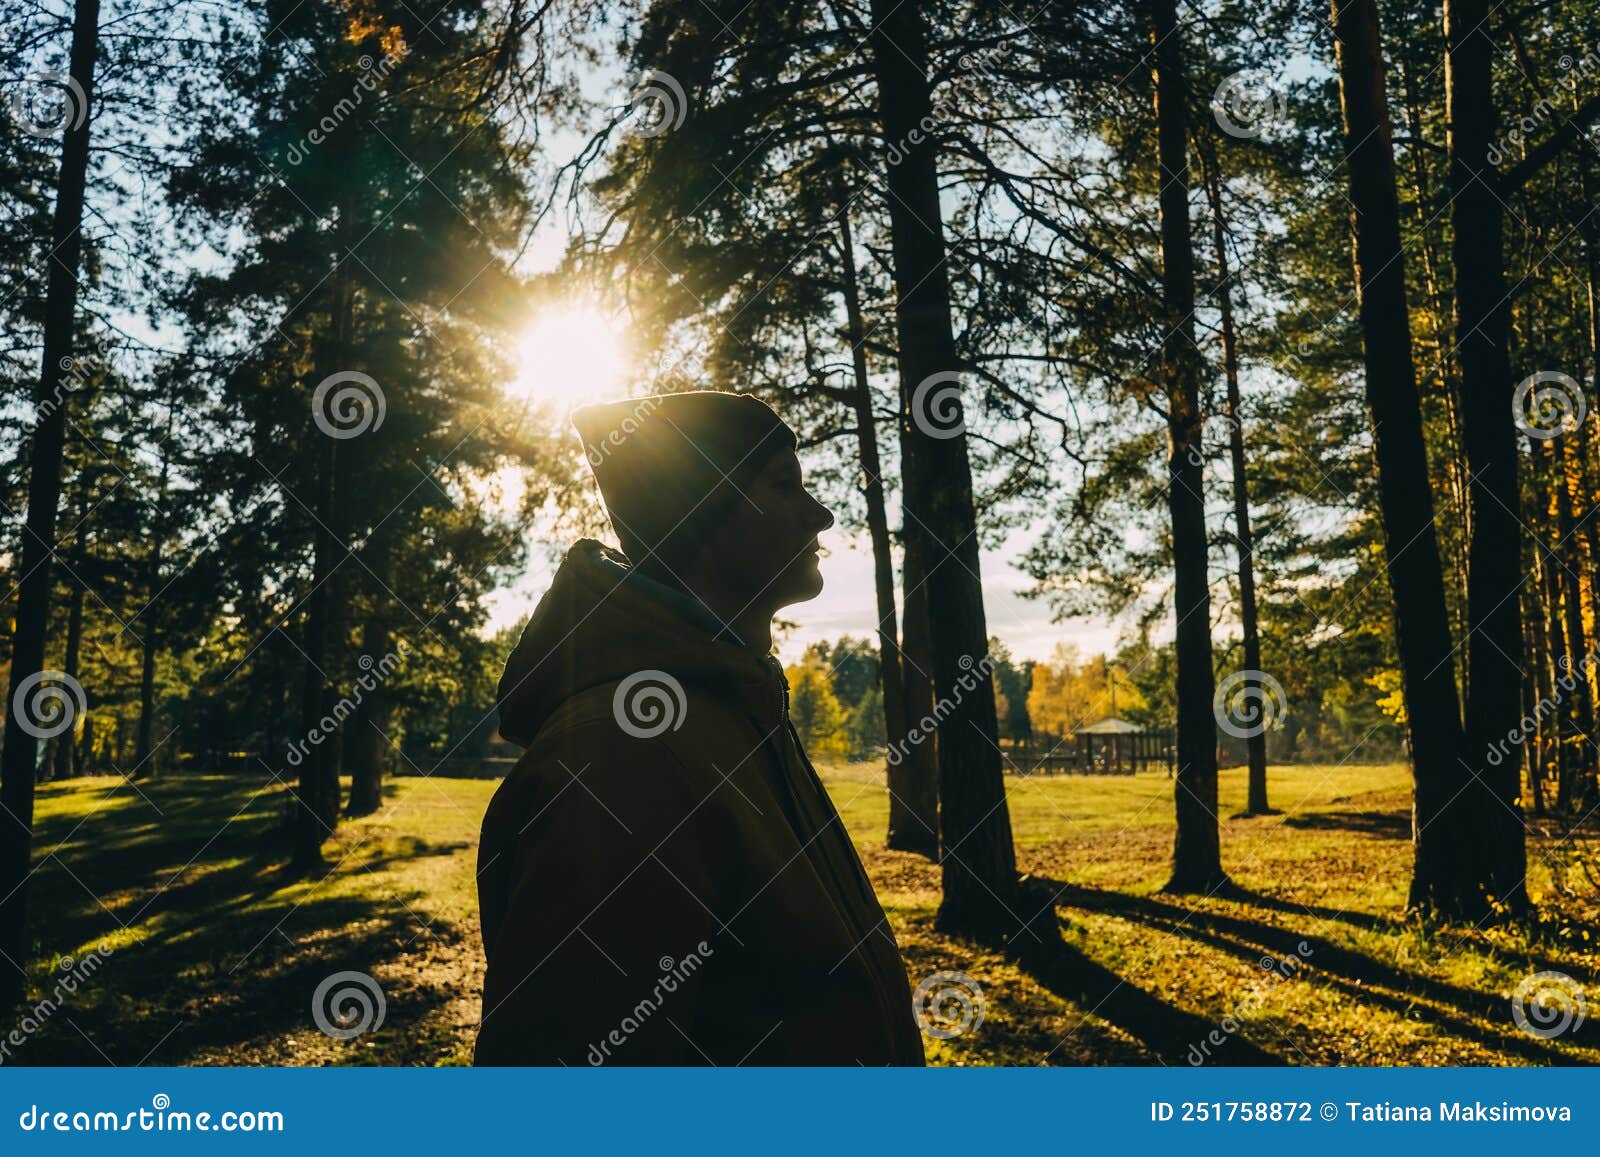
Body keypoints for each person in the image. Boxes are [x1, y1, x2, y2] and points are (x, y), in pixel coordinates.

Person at [474, 391, 925, 1066]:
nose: (821, 513)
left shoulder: (736, 711)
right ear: (703, 515)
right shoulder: (620, 753)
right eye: (783, 485)